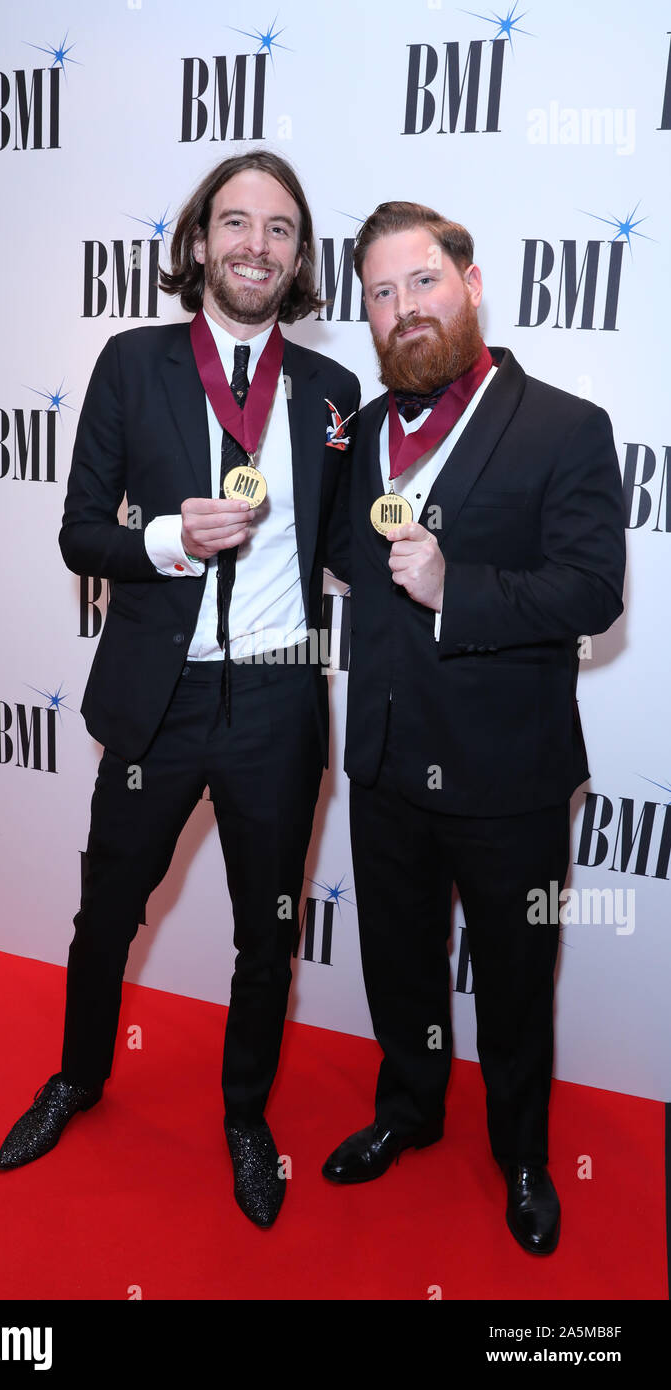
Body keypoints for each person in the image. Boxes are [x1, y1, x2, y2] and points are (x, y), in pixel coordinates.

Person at [0, 151, 359, 1229]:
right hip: (161, 697)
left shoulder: (332, 393)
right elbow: (76, 532)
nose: (256, 244)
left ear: (297, 257)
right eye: (235, 222)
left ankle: (245, 1117)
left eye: (280, 228)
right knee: (108, 908)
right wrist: (162, 538)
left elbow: (342, 543)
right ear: (198, 241)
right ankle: (77, 1076)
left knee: (266, 928)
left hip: (281, 701)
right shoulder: (131, 363)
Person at [321, 201, 626, 1254]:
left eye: (420, 281)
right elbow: (323, 554)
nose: (402, 308)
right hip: (388, 759)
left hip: (509, 775)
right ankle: (407, 1110)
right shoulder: (355, 434)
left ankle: (523, 1153)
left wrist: (458, 588)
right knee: (397, 961)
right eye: (379, 293)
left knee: (510, 974)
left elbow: (589, 593)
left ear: (470, 281)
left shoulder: (564, 425)